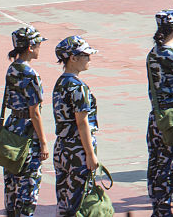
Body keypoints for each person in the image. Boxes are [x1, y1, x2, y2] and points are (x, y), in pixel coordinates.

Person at [146, 10, 173, 217]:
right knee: (172, 164)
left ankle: (158, 207)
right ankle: (165, 209)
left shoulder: (153, 54)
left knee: (155, 163)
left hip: (156, 116)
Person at [2, 27, 48, 217]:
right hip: (28, 133)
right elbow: (35, 112)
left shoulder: (12, 68)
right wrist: (44, 142)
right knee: (28, 187)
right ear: (30, 47)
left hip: (12, 128)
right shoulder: (31, 74)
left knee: (12, 184)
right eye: (37, 44)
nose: (39, 48)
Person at [52, 35, 99, 216]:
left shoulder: (60, 83)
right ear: (73, 58)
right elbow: (82, 122)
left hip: (61, 147)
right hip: (77, 149)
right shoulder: (79, 86)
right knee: (78, 202)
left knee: (63, 200)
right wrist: (90, 154)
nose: (89, 59)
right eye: (85, 55)